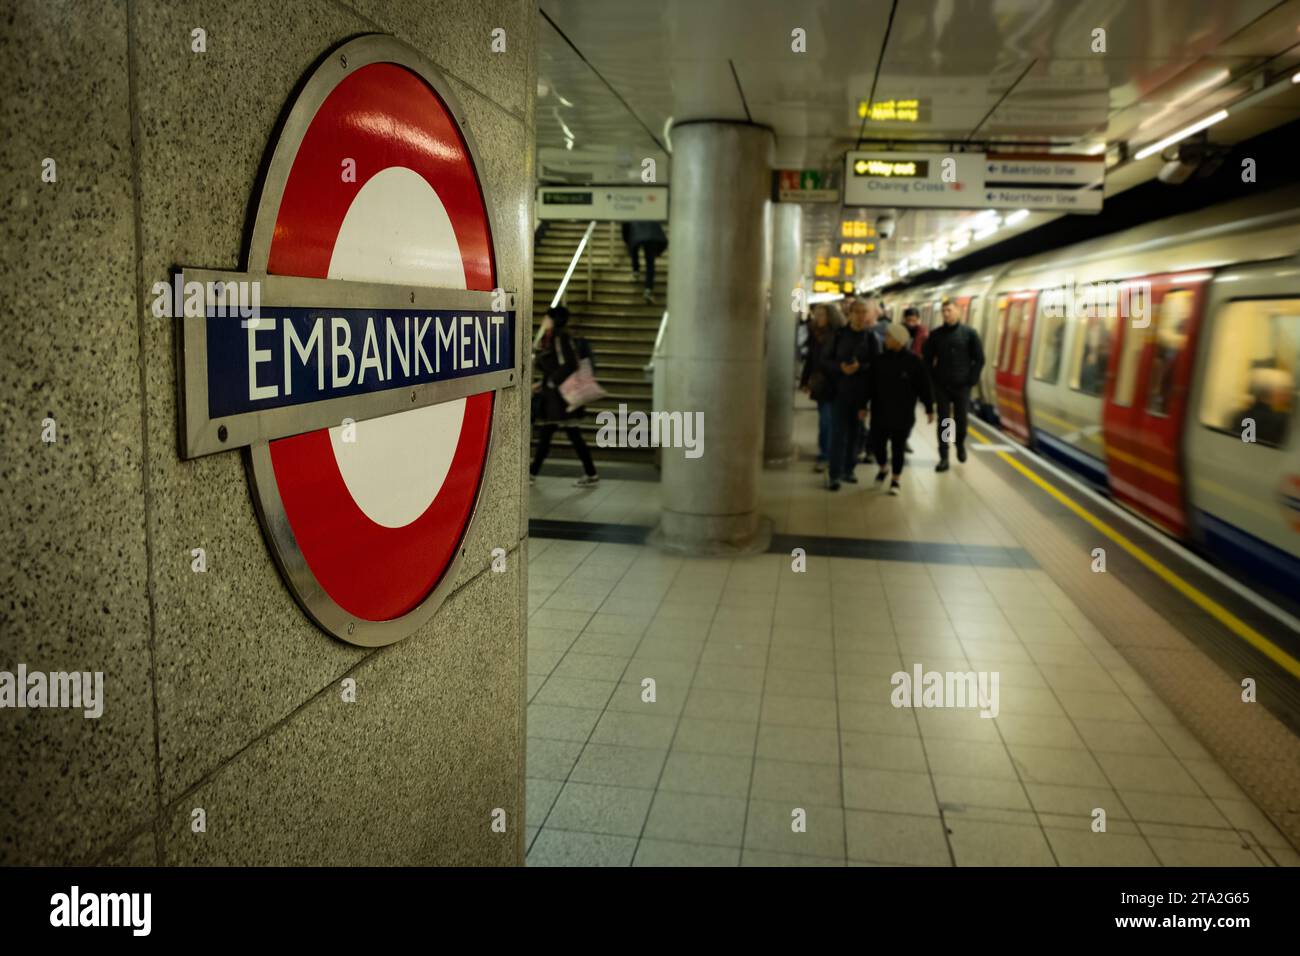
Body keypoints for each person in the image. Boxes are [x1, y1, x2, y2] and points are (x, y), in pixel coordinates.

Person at [530, 306, 600, 486]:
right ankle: (590, 473)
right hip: (555, 397)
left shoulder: (561, 336)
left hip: (560, 398)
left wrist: (552, 382)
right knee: (560, 434)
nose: (543, 321)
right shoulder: (552, 337)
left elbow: (571, 364)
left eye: (546, 317)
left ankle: (533, 472)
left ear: (553, 320)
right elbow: (554, 365)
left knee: (561, 434)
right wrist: (543, 384)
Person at [867, 322, 934, 495]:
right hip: (879, 412)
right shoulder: (879, 361)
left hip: (903, 413)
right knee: (878, 446)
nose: (886, 339)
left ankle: (895, 480)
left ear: (898, 340)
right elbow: (869, 386)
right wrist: (862, 405)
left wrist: (929, 408)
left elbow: (924, 387)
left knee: (898, 447)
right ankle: (883, 468)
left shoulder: (914, 362)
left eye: (889, 336)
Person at [820, 298, 878, 490]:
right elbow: (824, 361)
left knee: (856, 434)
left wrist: (861, 367)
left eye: (864, 312)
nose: (861, 316)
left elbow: (876, 366)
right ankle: (835, 473)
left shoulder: (871, 338)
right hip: (839, 392)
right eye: (857, 312)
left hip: (860, 394)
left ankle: (849, 469)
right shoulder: (838, 335)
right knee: (839, 434)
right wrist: (841, 368)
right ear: (849, 314)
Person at [923, 297, 984, 472]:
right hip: (942, 385)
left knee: (961, 420)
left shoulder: (970, 334)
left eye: (949, 311)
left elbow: (979, 359)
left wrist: (971, 380)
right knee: (945, 421)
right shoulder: (935, 335)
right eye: (944, 311)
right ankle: (944, 456)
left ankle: (960, 443)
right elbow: (927, 360)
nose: (946, 314)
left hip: (962, 386)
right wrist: (932, 379)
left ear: (959, 312)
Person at [800, 302, 842, 472]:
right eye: (816, 315)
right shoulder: (815, 335)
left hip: (834, 383)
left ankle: (826, 455)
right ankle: (825, 452)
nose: (818, 318)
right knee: (825, 420)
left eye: (821, 315)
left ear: (830, 316)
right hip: (820, 384)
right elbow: (810, 360)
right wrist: (804, 381)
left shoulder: (838, 335)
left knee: (828, 420)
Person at [622, 221, 668, 304]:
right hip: (651, 235)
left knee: (634, 248)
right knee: (650, 263)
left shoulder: (633, 209)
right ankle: (648, 290)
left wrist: (626, 240)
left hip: (636, 233)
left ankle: (635, 271)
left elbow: (625, 224)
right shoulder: (649, 209)